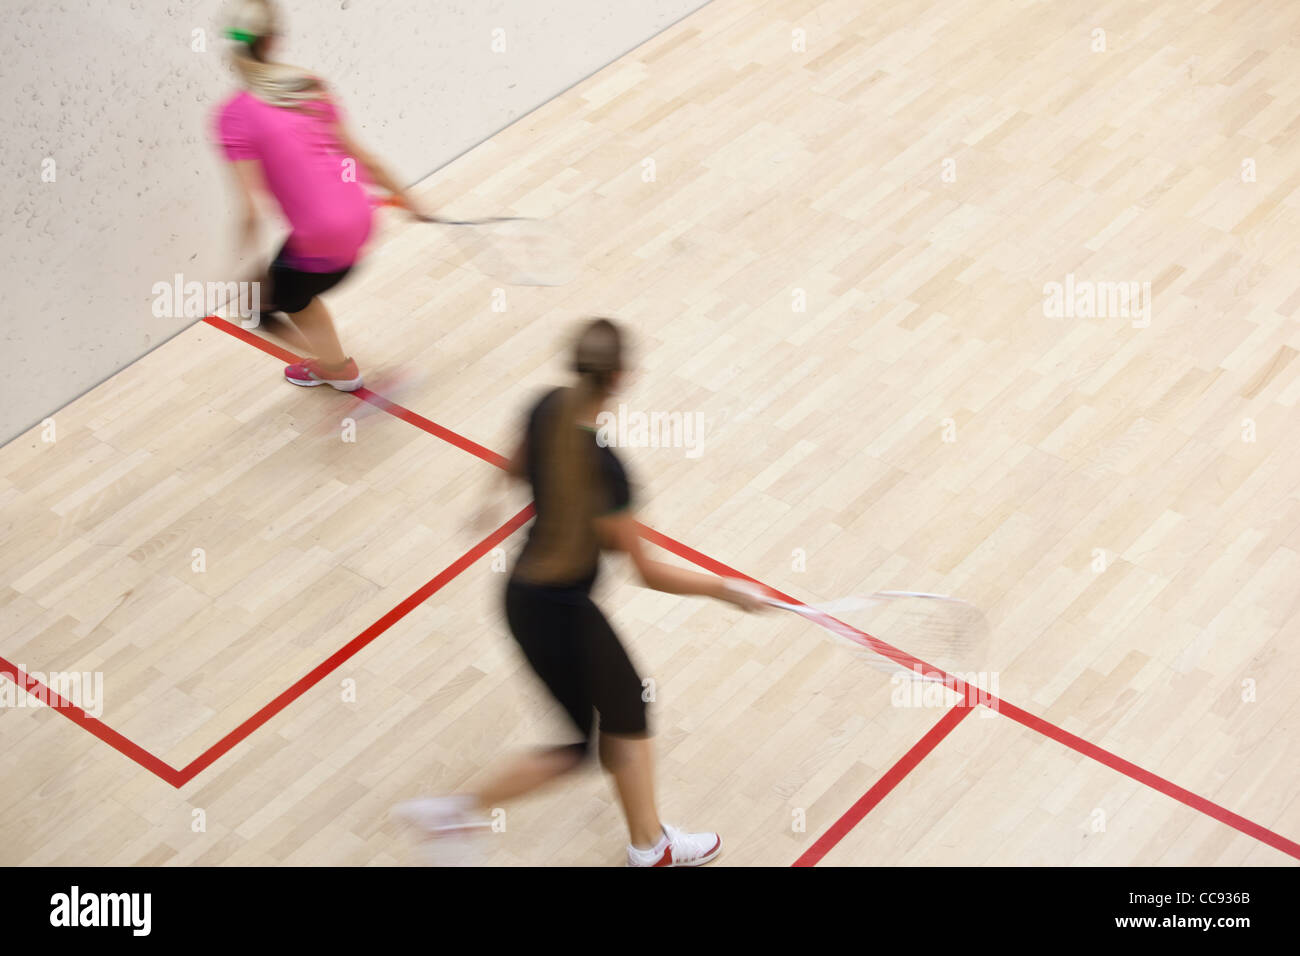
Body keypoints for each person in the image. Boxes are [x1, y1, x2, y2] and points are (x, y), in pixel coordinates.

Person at [396, 318, 765, 866]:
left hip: (524, 600)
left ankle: (648, 843)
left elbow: (516, 463)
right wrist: (726, 590)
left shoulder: (544, 406)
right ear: (622, 376)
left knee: (626, 712)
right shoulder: (608, 470)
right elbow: (646, 572)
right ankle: (457, 811)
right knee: (582, 745)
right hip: (561, 613)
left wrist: (490, 501)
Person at [212, 0, 428, 391]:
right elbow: (364, 158)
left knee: (257, 308)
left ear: (231, 47)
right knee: (297, 294)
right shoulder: (307, 87)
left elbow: (250, 211)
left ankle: (339, 367)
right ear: (275, 40)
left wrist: (245, 269)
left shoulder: (232, 117)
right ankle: (338, 368)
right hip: (362, 221)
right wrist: (411, 202)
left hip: (322, 239)